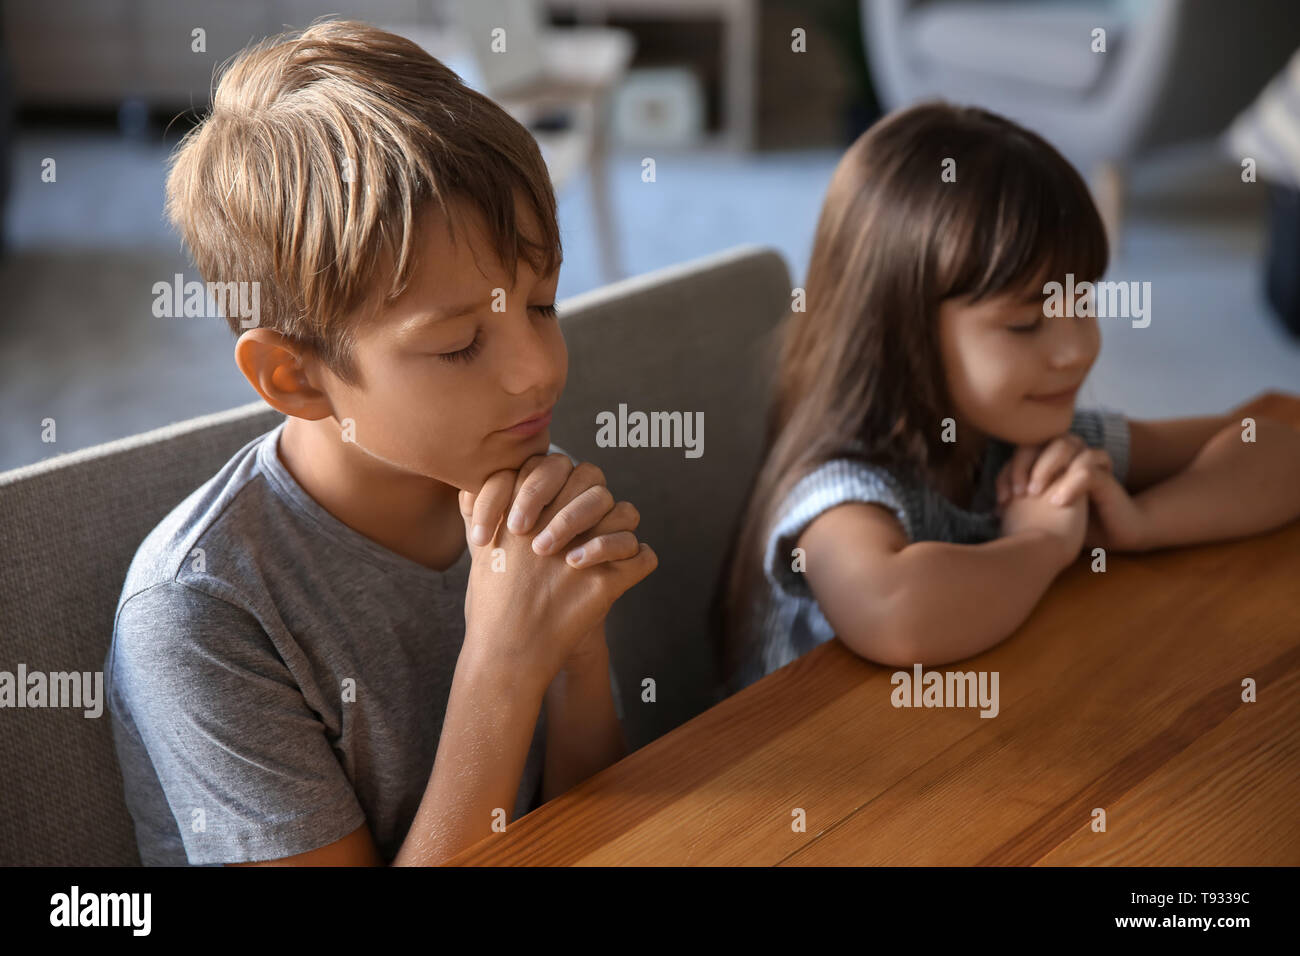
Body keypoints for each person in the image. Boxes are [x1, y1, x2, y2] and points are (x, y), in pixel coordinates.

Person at [106, 20, 657, 866]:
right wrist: (504, 668)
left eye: (542, 305)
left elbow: (594, 831)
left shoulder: (489, 461)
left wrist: (574, 653)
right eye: (457, 345)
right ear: (295, 377)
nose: (538, 371)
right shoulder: (200, 615)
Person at [717, 101, 1300, 697]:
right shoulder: (842, 485)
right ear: (898, 335)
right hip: (813, 775)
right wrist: (1042, 545)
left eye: (1082, 302)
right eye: (1026, 324)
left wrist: (1143, 523)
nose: (1077, 348)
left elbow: (1275, 451)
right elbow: (895, 613)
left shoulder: (1034, 440)